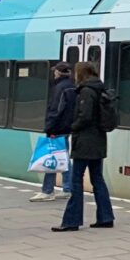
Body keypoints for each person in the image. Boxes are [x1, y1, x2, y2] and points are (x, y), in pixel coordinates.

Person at [53, 62, 114, 232]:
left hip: (85, 142)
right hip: (99, 141)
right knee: (97, 179)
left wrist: (72, 127)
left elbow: (85, 116)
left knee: (76, 181)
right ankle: (106, 217)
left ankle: (72, 221)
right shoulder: (100, 89)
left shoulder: (86, 91)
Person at [31, 62, 77, 202]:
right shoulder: (73, 87)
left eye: (55, 71)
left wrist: (49, 127)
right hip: (67, 127)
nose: (54, 73)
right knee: (63, 158)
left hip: (57, 128)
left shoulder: (59, 88)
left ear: (59, 72)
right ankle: (67, 189)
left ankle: (47, 191)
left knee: (50, 159)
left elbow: (56, 110)